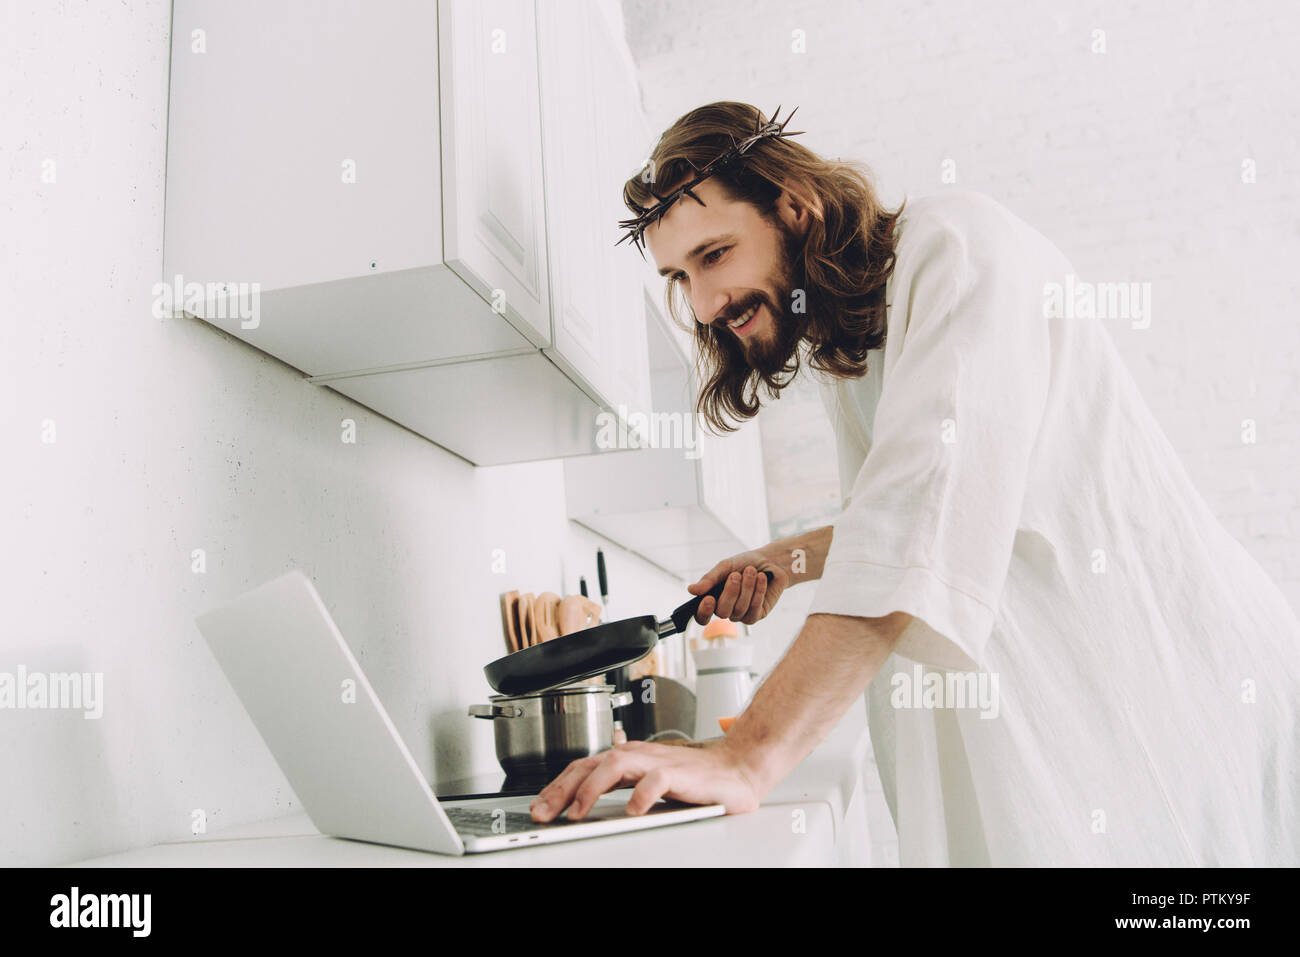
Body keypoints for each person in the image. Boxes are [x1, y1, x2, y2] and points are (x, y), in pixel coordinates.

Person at [530, 102, 1300, 866]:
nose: (701, 303)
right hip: (1107, 702)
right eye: (678, 276)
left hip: (1187, 691)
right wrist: (789, 559)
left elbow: (917, 516)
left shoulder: (956, 249)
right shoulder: (857, 346)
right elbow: (936, 508)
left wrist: (747, 755)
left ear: (794, 209)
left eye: (714, 254)